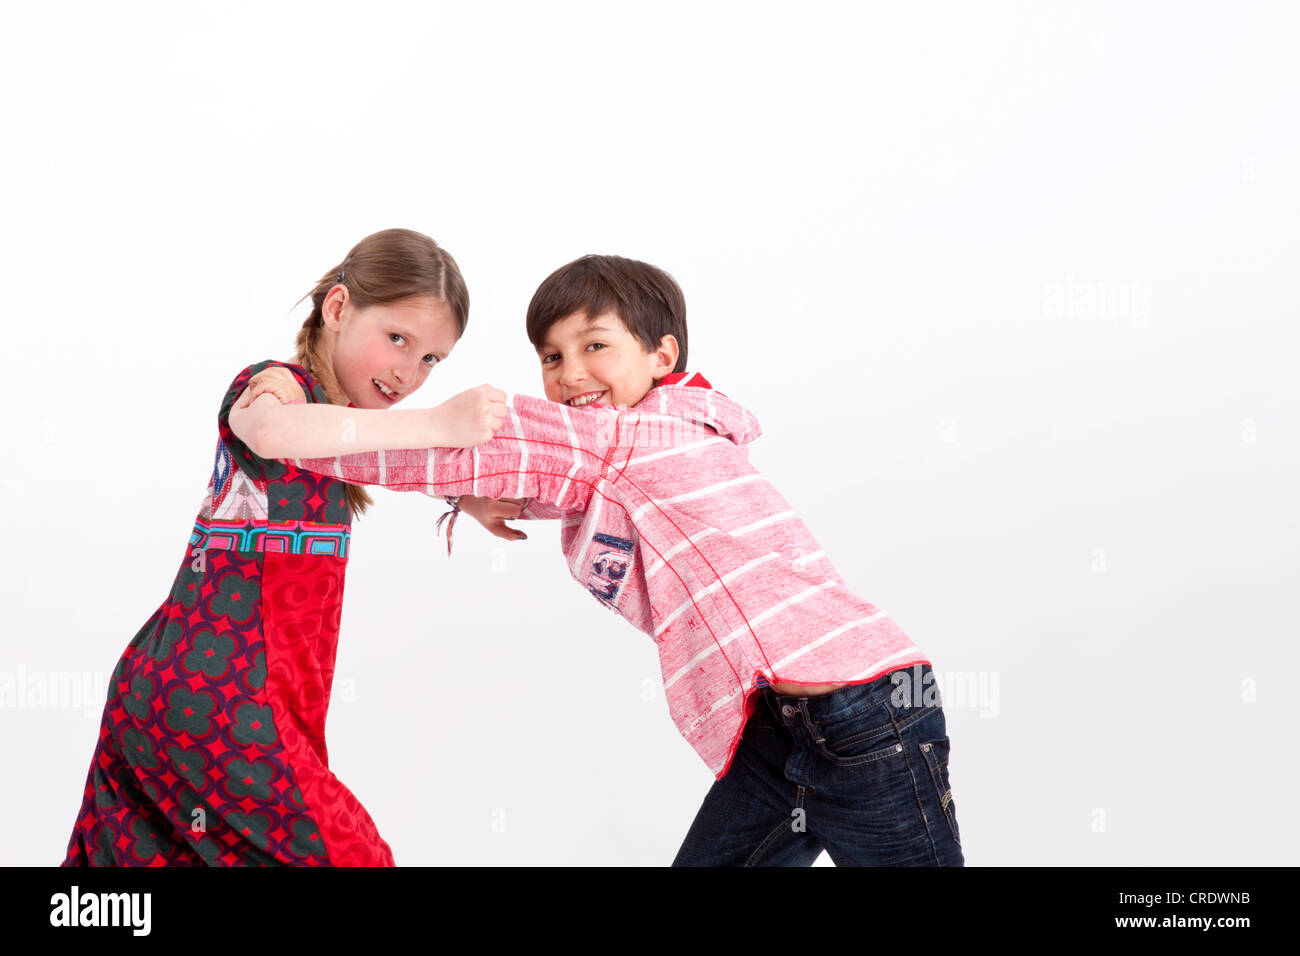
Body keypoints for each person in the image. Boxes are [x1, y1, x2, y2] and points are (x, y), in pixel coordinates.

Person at [264, 253, 965, 866]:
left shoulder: (633, 440)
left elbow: (469, 448)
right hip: (782, 730)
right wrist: (475, 498)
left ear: (662, 358)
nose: (571, 374)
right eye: (551, 356)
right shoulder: (636, 450)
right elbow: (542, 480)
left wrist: (292, 433)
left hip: (869, 717)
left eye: (595, 345)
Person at [61, 228, 506, 866]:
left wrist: (465, 500)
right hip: (221, 702)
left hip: (175, 702)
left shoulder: (338, 430)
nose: (410, 373)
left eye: (432, 360)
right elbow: (270, 429)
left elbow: (369, 452)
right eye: (398, 339)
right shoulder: (279, 385)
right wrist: (437, 421)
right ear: (338, 308)